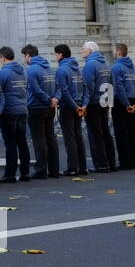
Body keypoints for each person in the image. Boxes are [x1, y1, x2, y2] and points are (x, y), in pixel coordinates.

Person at [22, 44, 61, 180]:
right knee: (50, 137)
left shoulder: (31, 70)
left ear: (28, 55)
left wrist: (48, 100)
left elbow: (35, 89)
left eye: (24, 56)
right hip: (50, 107)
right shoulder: (50, 68)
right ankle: (54, 169)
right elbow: (58, 87)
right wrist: (55, 99)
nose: (24, 60)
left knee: (39, 139)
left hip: (37, 107)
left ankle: (41, 170)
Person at [80, 41, 116, 174]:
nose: (81, 51)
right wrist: (110, 103)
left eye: (83, 49)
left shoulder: (90, 65)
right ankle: (111, 162)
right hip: (104, 101)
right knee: (106, 133)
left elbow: (88, 86)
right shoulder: (106, 63)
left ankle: (101, 164)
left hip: (94, 102)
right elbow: (111, 83)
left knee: (95, 135)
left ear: (90, 50)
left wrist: (84, 104)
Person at [0, 46, 31, 183]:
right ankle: (25, 172)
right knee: (22, 142)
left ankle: (10, 174)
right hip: (22, 109)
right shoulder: (22, 71)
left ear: (4, 57)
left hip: (9, 111)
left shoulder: (3, 73)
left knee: (10, 144)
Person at [53, 44, 87, 177]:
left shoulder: (62, 70)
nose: (55, 57)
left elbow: (64, 91)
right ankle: (82, 166)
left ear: (61, 55)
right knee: (78, 135)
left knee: (69, 138)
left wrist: (75, 106)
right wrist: (82, 105)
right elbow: (84, 87)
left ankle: (72, 167)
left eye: (56, 54)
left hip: (69, 106)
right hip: (78, 105)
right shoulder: (78, 69)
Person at [110, 43, 135, 170]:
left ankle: (125, 161)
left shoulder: (116, 67)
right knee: (133, 131)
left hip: (121, 102)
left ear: (118, 52)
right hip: (133, 100)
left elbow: (119, 88)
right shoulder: (133, 68)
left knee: (121, 132)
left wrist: (127, 105)